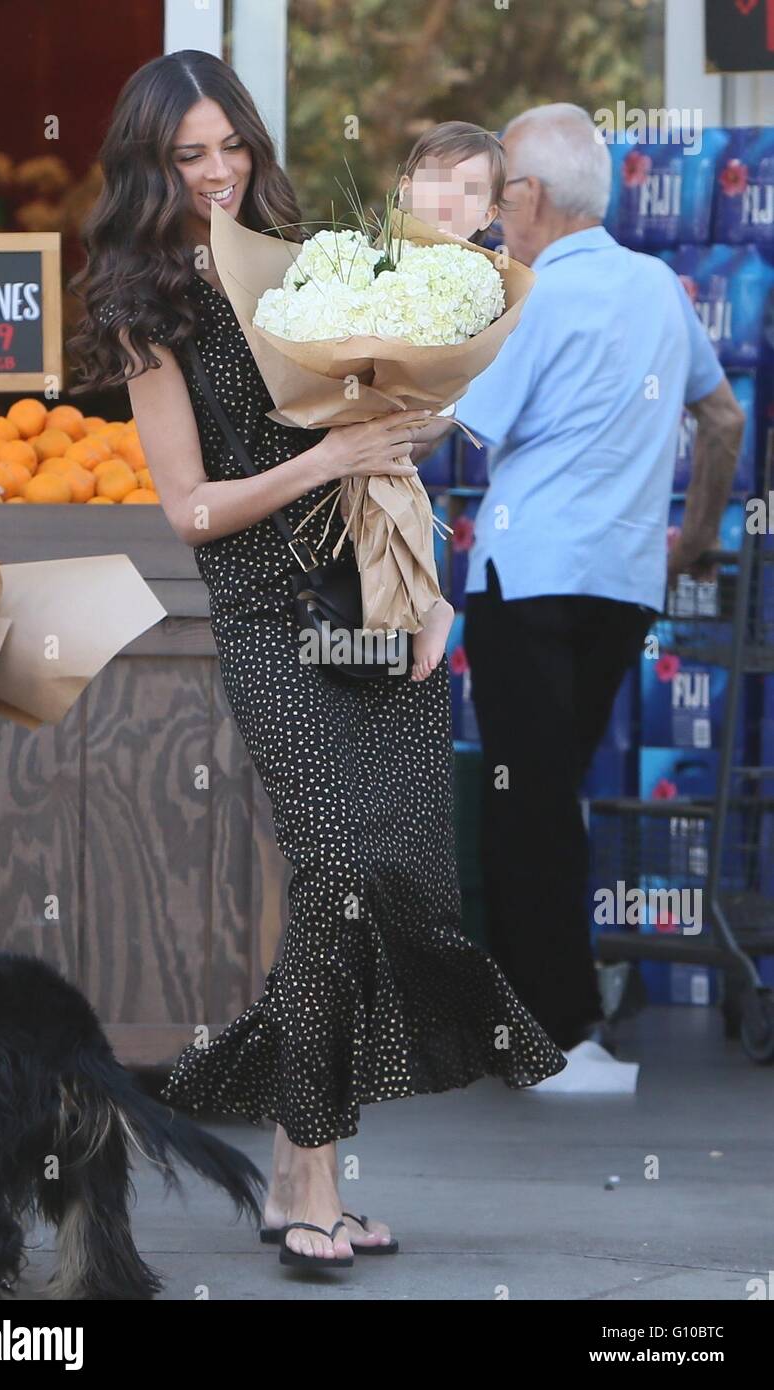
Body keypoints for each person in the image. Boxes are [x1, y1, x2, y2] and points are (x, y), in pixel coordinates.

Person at [68, 53, 567, 1272]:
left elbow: (376, 426)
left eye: (229, 143)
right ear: (150, 167)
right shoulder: (146, 308)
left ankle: (307, 1168)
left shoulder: (304, 259)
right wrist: (323, 465)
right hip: (266, 616)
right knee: (339, 862)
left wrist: (406, 435)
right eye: (188, 155)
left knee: (385, 875)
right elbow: (189, 508)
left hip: (372, 603)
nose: (218, 170)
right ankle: (299, 1169)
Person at [413, 103, 745, 1052]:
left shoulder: (532, 296)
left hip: (531, 581)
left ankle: (561, 1028)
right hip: (625, 586)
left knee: (530, 806)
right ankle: (519, 1021)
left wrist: (334, 424)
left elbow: (445, 431)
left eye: (502, 192)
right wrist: (694, 541)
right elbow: (722, 422)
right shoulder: (661, 289)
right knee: (543, 793)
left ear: (536, 198)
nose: (494, 213)